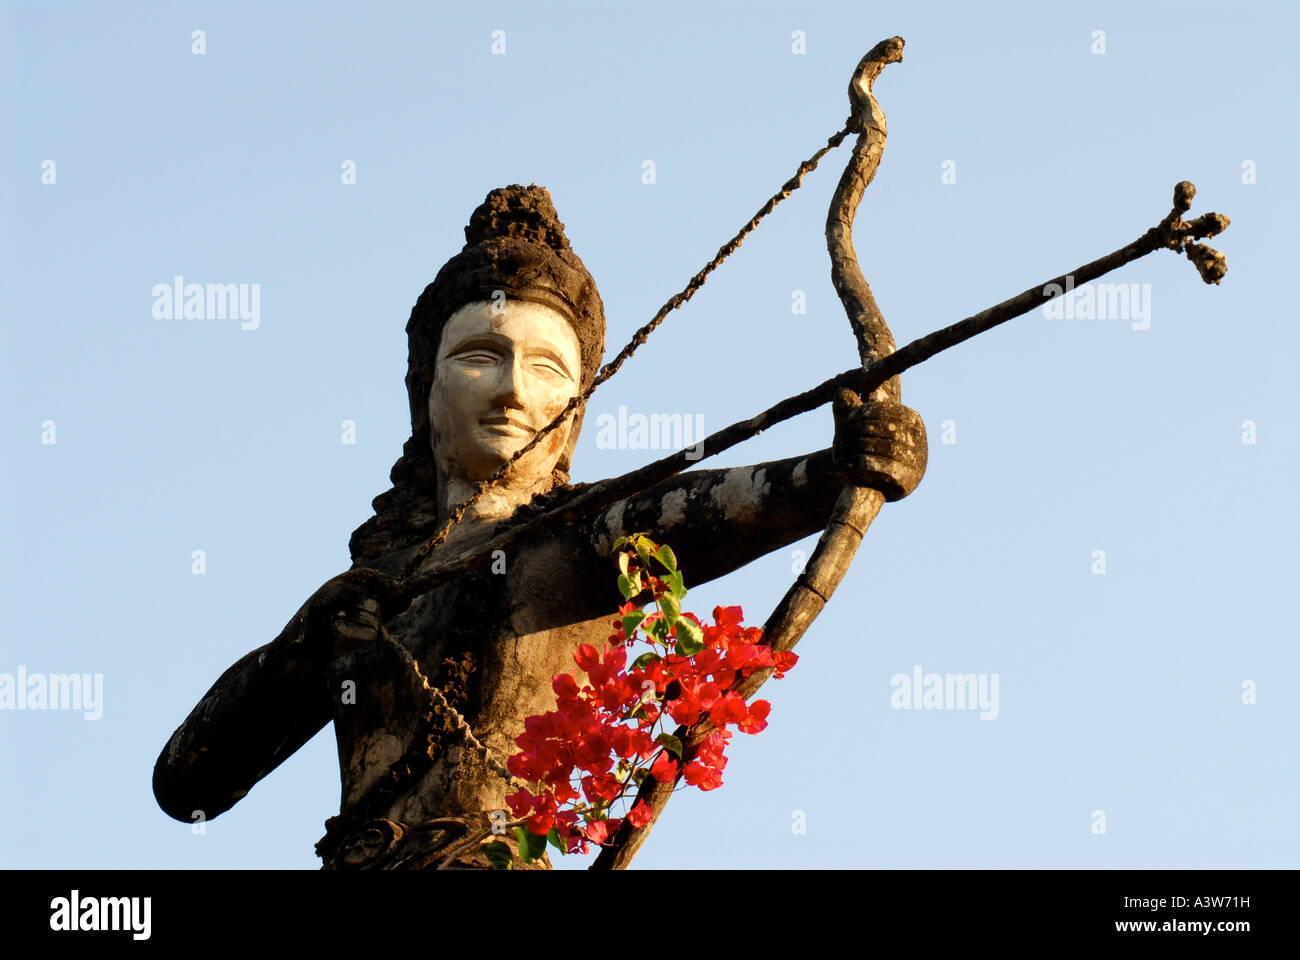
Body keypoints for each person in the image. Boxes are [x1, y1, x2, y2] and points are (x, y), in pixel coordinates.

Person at [152, 184, 927, 869]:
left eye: (550, 369)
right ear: (424, 392)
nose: (514, 391)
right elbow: (188, 786)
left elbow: (710, 509)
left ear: (576, 410)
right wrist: (298, 652)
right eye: (480, 357)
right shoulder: (366, 594)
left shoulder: (578, 536)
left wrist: (833, 471)